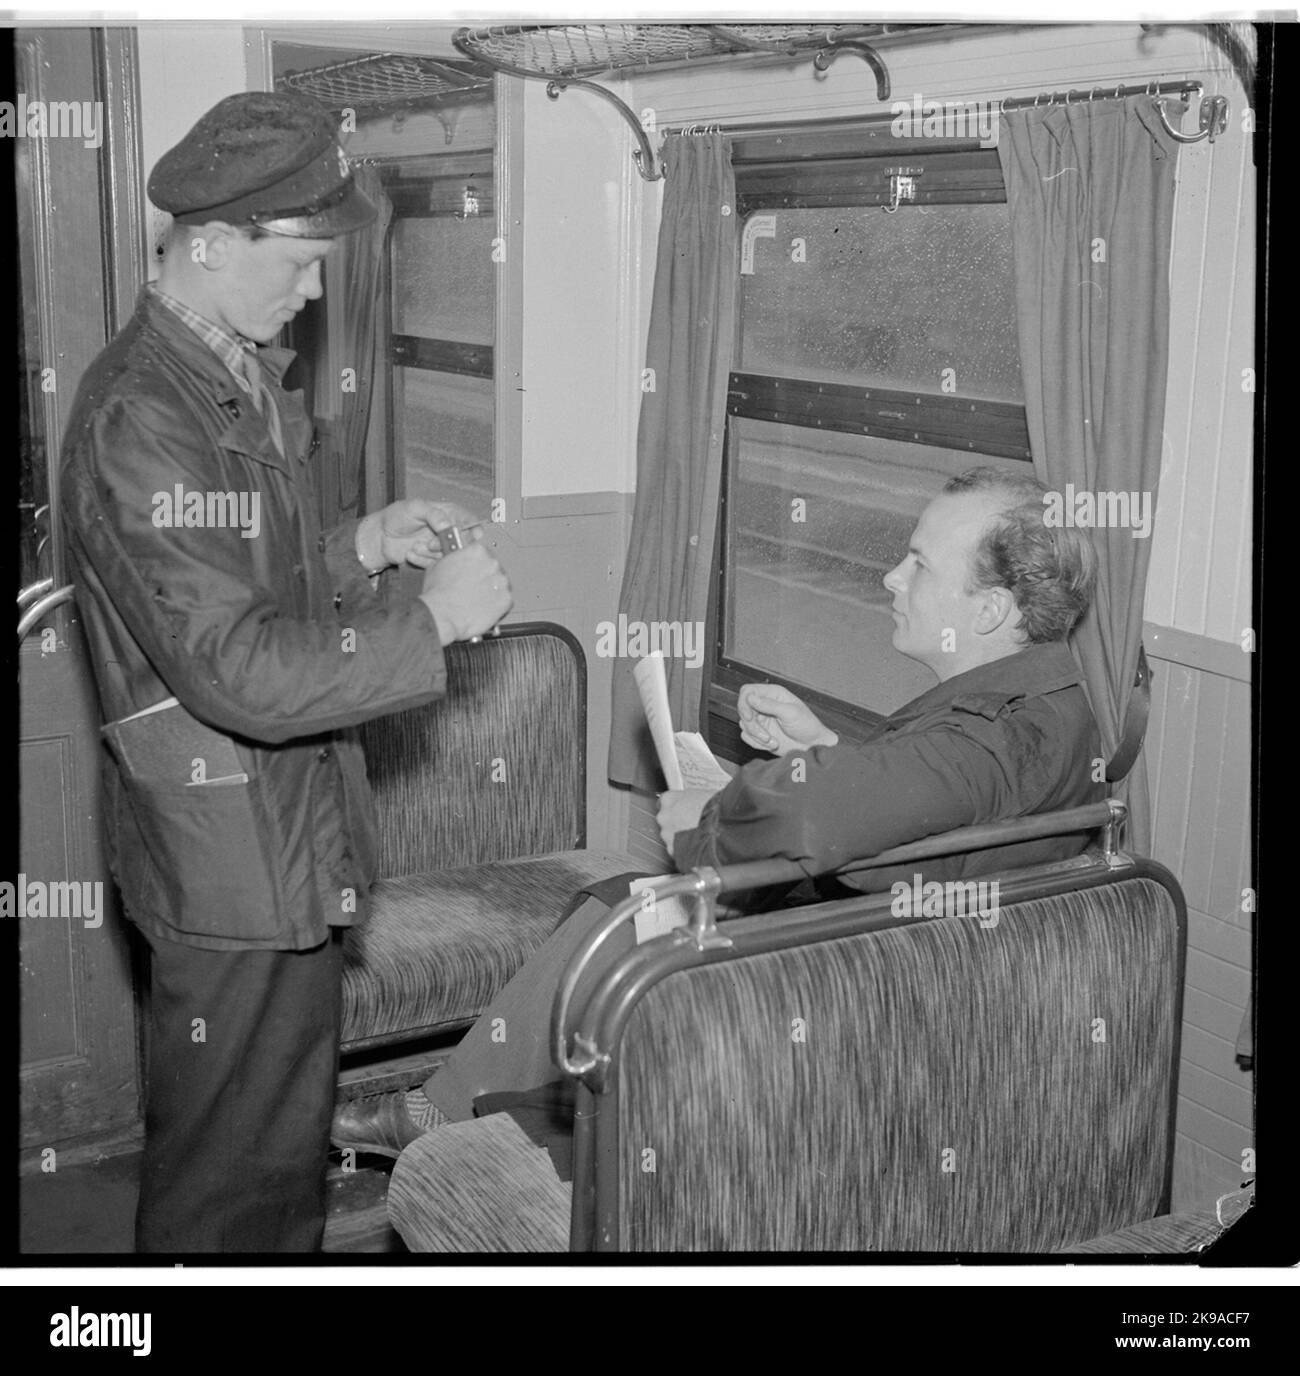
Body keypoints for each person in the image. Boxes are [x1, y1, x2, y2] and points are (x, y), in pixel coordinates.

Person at [333, 466, 1104, 1160]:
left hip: (880, 992)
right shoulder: (1045, 701)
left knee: (634, 911)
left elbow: (816, 823)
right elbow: (943, 812)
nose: (889, 578)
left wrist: (705, 819)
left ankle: (455, 1123)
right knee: (629, 905)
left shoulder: (992, 730)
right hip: (915, 954)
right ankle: (461, 1110)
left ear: (993, 609)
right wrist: (826, 743)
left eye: (919, 564)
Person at [59, 90, 512, 1252]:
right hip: (228, 861)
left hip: (281, 840)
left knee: (273, 1153)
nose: (315, 291)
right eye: (303, 261)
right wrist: (436, 627)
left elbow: (242, 586)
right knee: (231, 1184)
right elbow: (235, 668)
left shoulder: (224, 372)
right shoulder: (138, 417)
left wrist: (359, 548)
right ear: (211, 246)